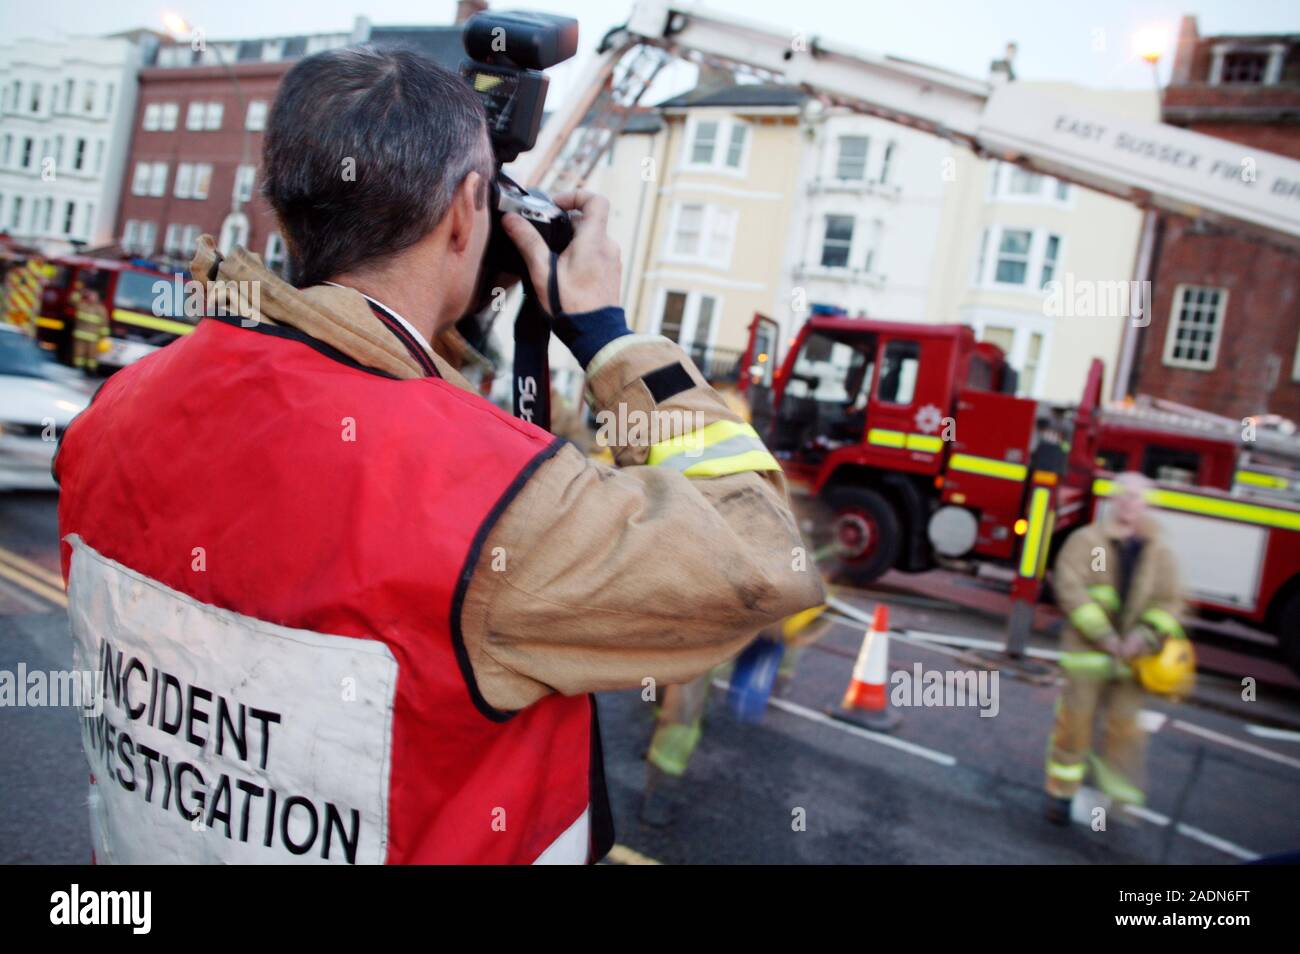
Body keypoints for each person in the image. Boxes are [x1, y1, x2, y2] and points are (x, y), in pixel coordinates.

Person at [54, 46, 823, 865]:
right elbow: (762, 553)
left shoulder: (113, 412)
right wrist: (606, 334)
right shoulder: (499, 502)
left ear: (281, 212)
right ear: (466, 211)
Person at [1045, 472, 1184, 824]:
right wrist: (1104, 636)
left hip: (1132, 663)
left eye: (1138, 498)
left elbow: (1169, 602)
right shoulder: (1087, 542)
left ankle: (1116, 802)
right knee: (1074, 726)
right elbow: (1070, 586)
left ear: (1148, 505)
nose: (1130, 504)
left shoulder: (1159, 551)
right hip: (1088, 656)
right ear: (1113, 500)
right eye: (1124, 496)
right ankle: (1061, 795)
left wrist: (1144, 636)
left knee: (1123, 731)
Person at [70, 284, 108, 373]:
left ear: (97, 298)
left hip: (93, 338)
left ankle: (91, 371)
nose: (91, 298)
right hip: (80, 336)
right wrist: (80, 292)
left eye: (93, 296)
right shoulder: (82, 305)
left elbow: (104, 324)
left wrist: (103, 337)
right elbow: (72, 300)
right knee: (78, 355)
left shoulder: (101, 309)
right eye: (90, 295)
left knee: (92, 356)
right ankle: (77, 369)